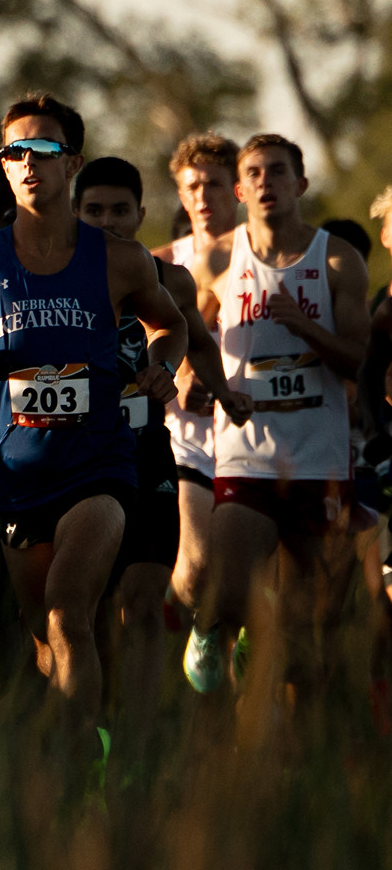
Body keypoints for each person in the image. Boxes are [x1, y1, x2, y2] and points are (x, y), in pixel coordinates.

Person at [0, 93, 186, 764]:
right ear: (4, 168)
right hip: (15, 474)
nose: (28, 163)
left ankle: (79, 769)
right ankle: (87, 734)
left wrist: (160, 365)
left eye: (44, 150)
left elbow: (171, 322)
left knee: (68, 609)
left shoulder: (119, 259)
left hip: (99, 465)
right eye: (15, 152)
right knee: (45, 631)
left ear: (73, 163)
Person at [184, 134, 368, 716]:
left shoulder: (337, 259)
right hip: (247, 453)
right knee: (228, 587)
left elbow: (355, 360)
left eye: (278, 172)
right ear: (240, 191)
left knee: (308, 628)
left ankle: (287, 754)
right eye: (254, 174)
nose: (266, 182)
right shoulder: (217, 259)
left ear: (300, 184)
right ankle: (213, 628)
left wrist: (303, 326)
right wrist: (204, 382)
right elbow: (191, 336)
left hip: (319, 456)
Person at [72, 156, 247, 764]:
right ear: (76, 213)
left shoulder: (169, 280)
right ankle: (94, 736)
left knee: (144, 604)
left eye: (121, 210)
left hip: (145, 452)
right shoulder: (47, 280)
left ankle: (139, 752)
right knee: (88, 612)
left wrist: (222, 392)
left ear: (142, 215)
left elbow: (195, 339)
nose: (109, 221)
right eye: (95, 210)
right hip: (71, 463)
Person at [152, 132, 240, 627]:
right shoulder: (161, 263)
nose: (202, 198)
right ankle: (195, 630)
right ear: (180, 195)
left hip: (251, 430)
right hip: (186, 433)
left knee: (249, 571)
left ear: (237, 190)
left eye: (213, 185)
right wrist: (182, 374)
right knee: (195, 572)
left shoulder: (264, 257)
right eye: (192, 188)